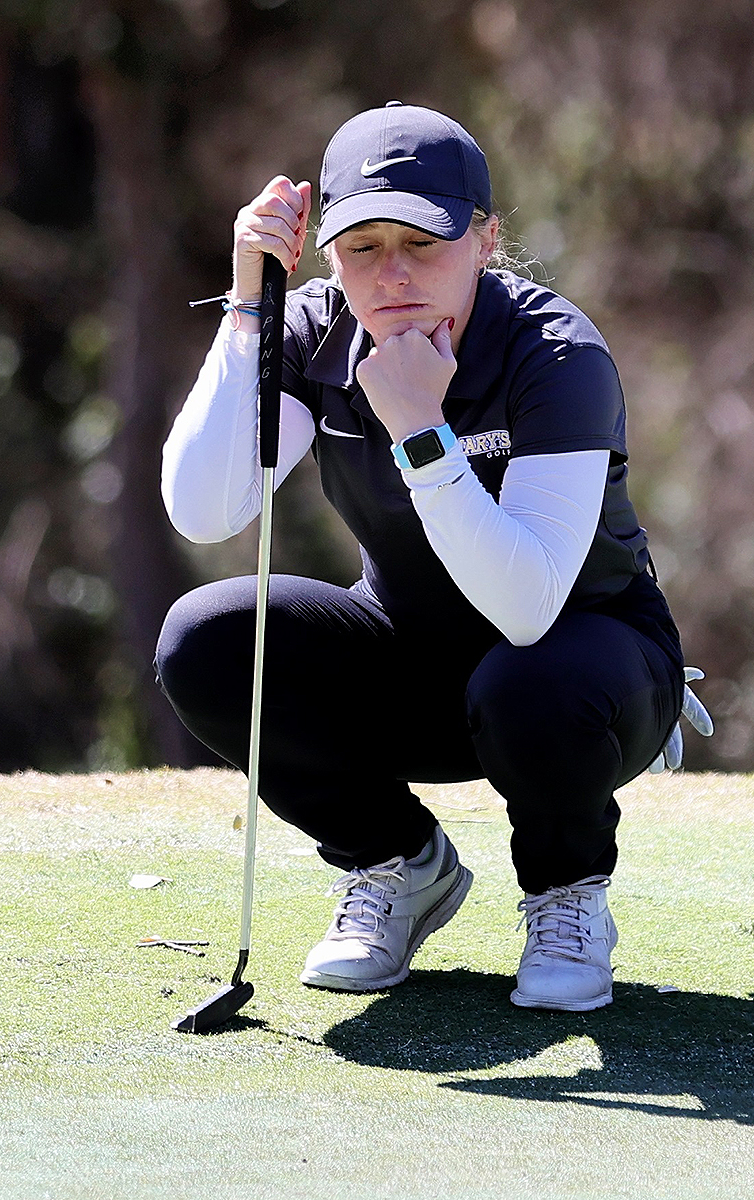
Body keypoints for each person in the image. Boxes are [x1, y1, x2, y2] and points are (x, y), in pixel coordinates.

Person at [155, 102, 705, 1012]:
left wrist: (421, 431)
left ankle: (566, 893)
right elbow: (204, 512)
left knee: (528, 682)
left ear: (485, 239)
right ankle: (398, 864)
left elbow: (527, 606)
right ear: (327, 252)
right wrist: (249, 313)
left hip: (585, 671)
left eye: (422, 241)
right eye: (362, 246)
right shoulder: (314, 332)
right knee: (205, 640)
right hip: (413, 663)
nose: (393, 273)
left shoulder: (554, 354)